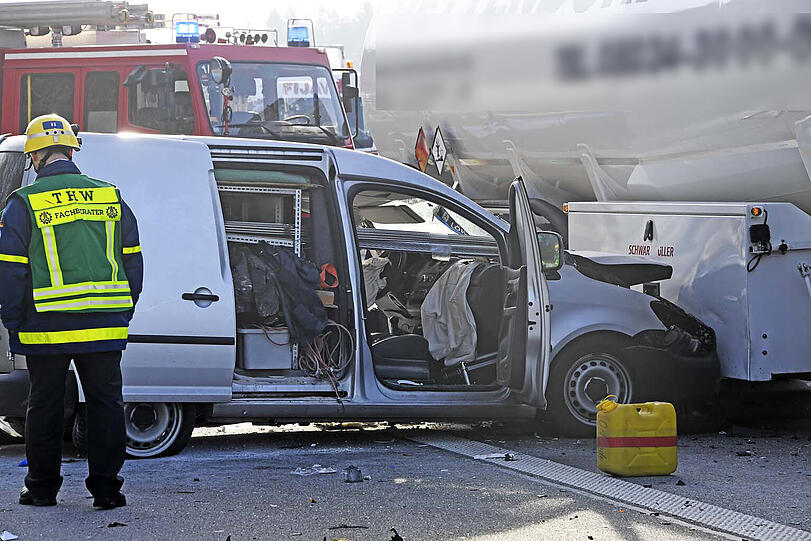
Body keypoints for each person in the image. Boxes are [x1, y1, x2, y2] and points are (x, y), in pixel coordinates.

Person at [0, 114, 143, 509]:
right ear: (71, 150)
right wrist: (121, 312)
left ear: (34, 158)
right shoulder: (109, 196)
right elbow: (133, 262)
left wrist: (13, 321)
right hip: (104, 326)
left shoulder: (24, 203)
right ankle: (108, 491)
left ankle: (42, 490)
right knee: (105, 406)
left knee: (44, 407)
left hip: (46, 327)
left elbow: (10, 271)